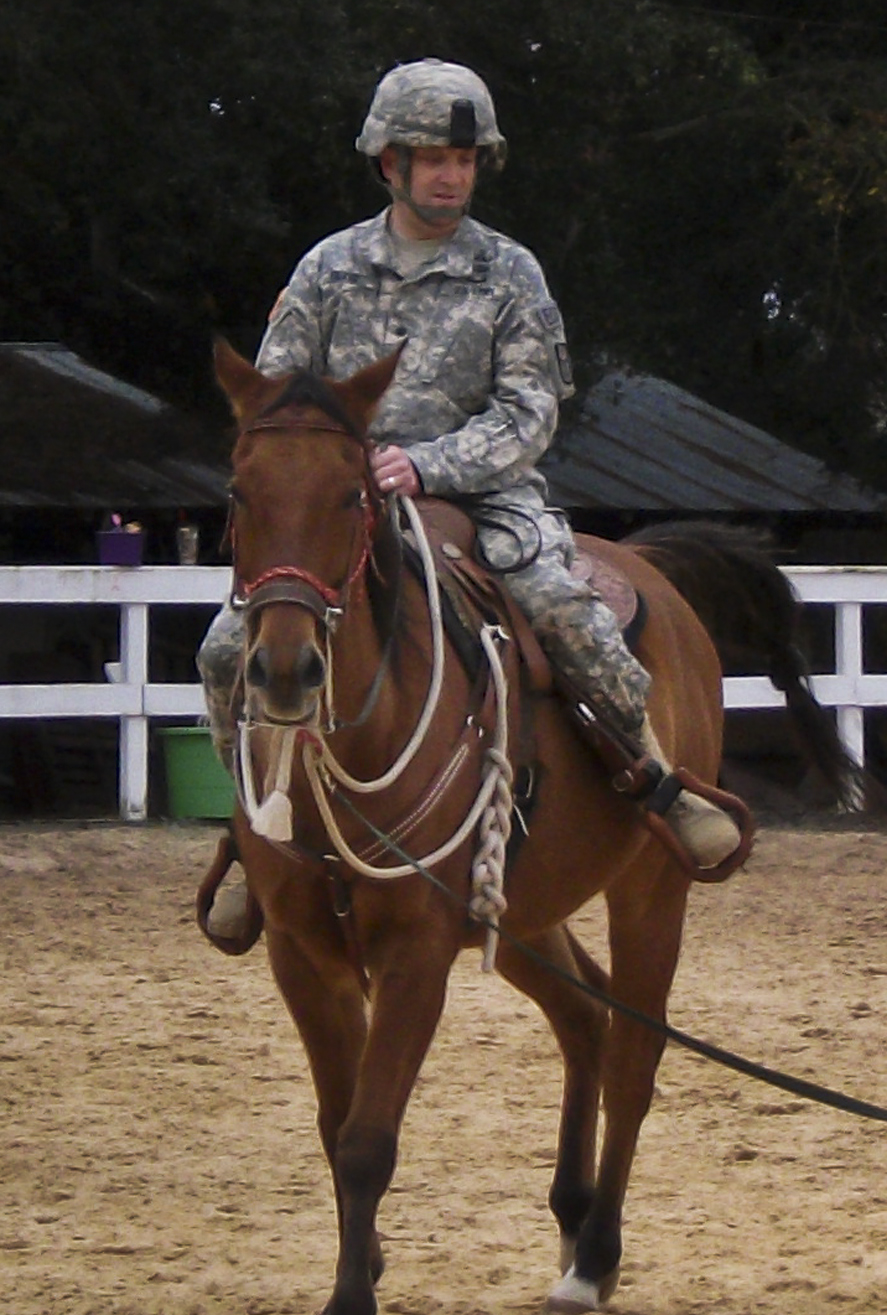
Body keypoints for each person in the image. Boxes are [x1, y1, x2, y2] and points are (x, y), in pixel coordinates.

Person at [200, 59, 738, 941]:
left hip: (487, 496)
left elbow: (531, 409)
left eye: (465, 158)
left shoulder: (510, 274)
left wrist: (430, 463)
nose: (453, 174)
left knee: (565, 609)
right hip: (341, 503)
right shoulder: (326, 271)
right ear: (390, 164)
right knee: (229, 651)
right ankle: (254, 830)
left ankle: (649, 778)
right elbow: (277, 400)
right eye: (434, 158)